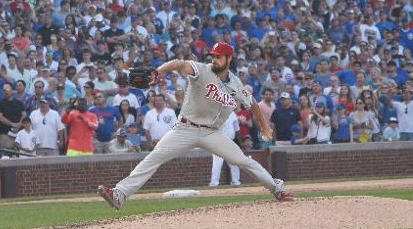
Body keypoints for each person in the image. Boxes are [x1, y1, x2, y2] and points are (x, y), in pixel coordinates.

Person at [97, 44, 293, 210]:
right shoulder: (201, 69)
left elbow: (253, 105)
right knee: (154, 157)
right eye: (213, 56)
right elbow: (180, 64)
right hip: (184, 129)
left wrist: (265, 127)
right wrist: (159, 71)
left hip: (211, 133)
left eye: (219, 57)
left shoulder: (235, 84)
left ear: (229, 58)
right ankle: (119, 194)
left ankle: (277, 188)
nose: (215, 59)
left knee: (242, 160)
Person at [209, 111, 241, 187]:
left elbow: (236, 129)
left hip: (229, 141)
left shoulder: (232, 113)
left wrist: (239, 144)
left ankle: (235, 181)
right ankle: (214, 183)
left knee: (233, 162)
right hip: (218, 141)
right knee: (218, 163)